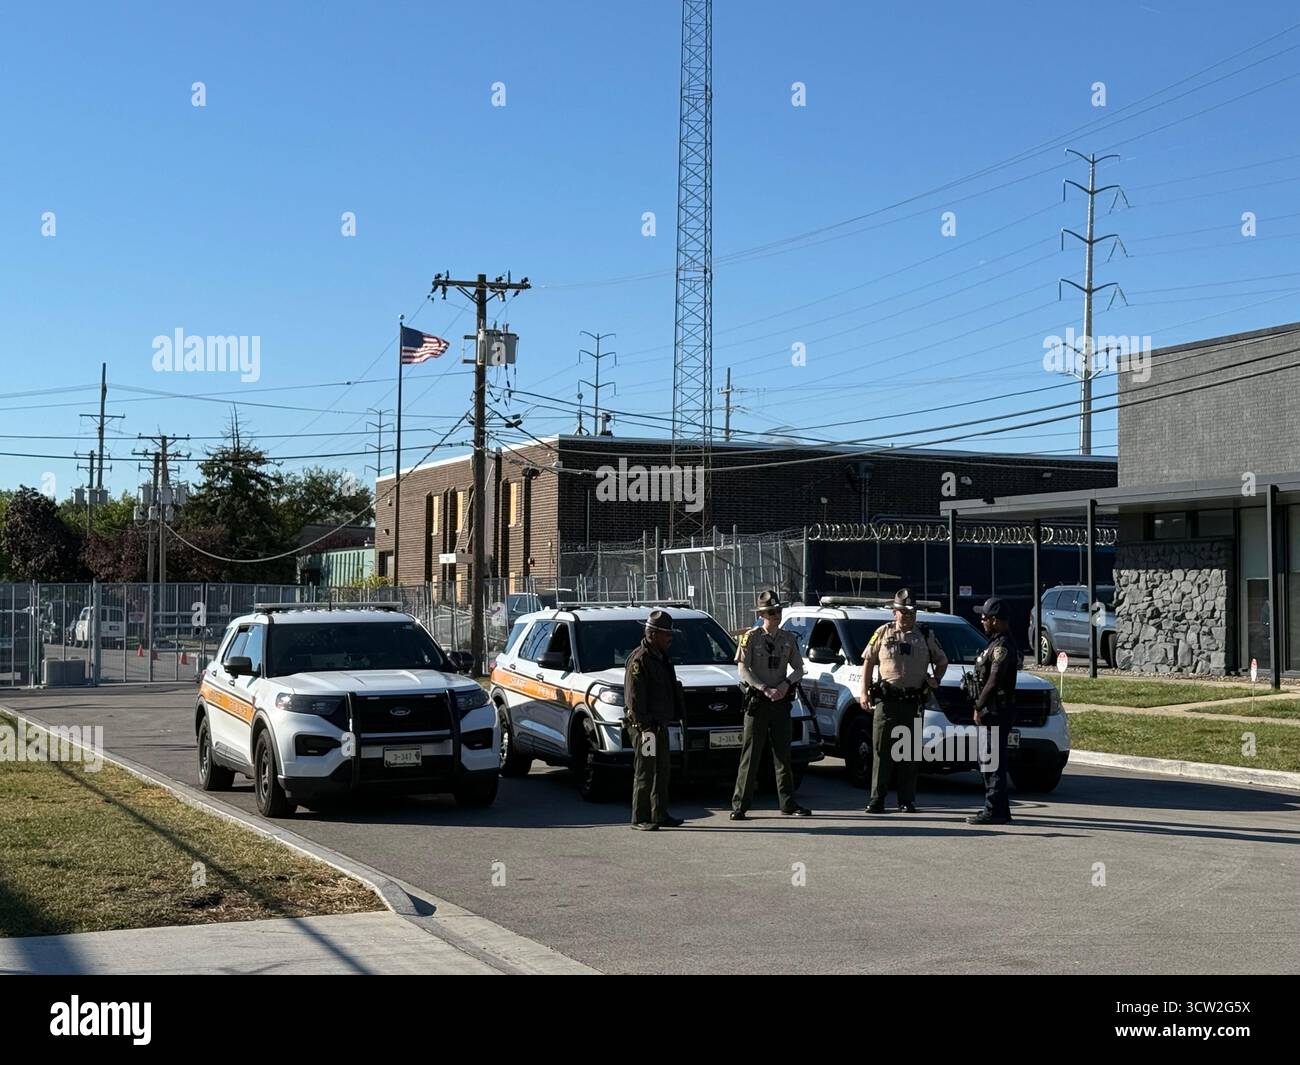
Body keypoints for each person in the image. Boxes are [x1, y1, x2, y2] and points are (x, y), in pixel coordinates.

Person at [859, 588, 948, 813]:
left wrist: (935, 678)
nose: (908, 617)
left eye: (911, 613)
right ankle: (877, 799)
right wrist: (864, 692)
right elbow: (868, 662)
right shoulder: (882, 633)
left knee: (908, 753)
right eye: (903, 612)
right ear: (894, 612)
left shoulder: (925, 635)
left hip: (912, 703)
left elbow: (942, 661)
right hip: (887, 701)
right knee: (881, 751)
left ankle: (906, 800)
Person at [730, 590, 813, 820]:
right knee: (751, 754)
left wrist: (786, 684)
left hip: (780, 701)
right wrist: (763, 688)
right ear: (762, 614)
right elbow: (743, 669)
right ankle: (740, 805)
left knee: (783, 754)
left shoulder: (788, 638)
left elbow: (798, 669)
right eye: (771, 612)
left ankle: (788, 803)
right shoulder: (751, 637)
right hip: (758, 701)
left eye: (778, 611)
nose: (776, 615)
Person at [623, 609, 686, 831]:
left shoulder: (662, 657)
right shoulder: (640, 660)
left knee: (663, 770)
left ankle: (659, 813)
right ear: (652, 634)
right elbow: (634, 698)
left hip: (660, 726)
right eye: (666, 634)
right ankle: (640, 817)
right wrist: (645, 726)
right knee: (646, 771)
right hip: (646, 728)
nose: (670, 638)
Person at [966, 596, 1019, 826]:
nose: (982, 621)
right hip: (995, 711)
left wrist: (979, 705)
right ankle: (1001, 810)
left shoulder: (1002, 647)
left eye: (985, 618)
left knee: (991, 762)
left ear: (995, 620)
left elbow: (994, 679)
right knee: (992, 760)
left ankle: (993, 810)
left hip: (996, 711)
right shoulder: (996, 643)